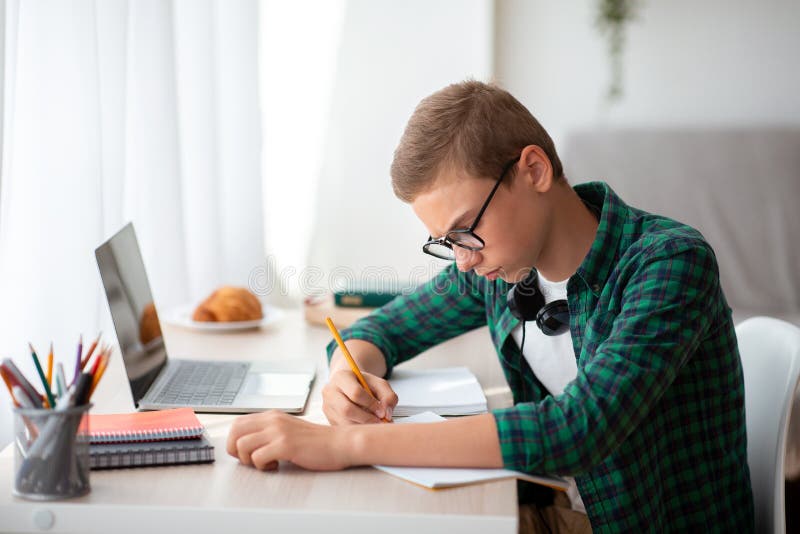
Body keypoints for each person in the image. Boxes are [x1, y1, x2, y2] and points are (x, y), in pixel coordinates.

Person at [227, 80, 754, 533]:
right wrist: (350, 375)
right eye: (445, 241)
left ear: (534, 170)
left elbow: (578, 430)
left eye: (464, 231)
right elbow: (385, 328)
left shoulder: (668, 263)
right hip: (562, 505)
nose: (459, 260)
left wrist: (346, 445)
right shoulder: (501, 270)